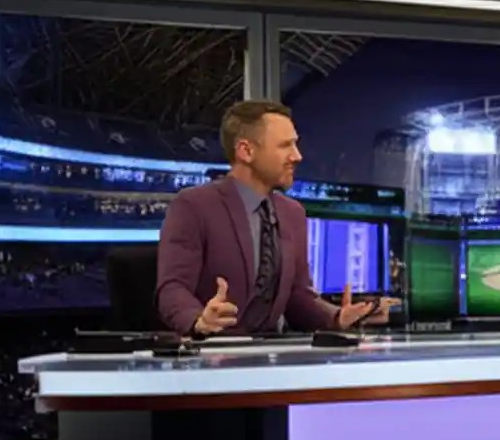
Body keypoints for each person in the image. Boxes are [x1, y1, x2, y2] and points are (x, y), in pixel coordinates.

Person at [156, 100, 392, 336]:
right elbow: (172, 288)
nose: (297, 156)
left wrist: (337, 317)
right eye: (285, 146)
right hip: (211, 358)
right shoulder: (194, 205)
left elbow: (297, 296)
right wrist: (198, 320)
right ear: (246, 151)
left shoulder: (292, 213)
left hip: (270, 357)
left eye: (295, 145)